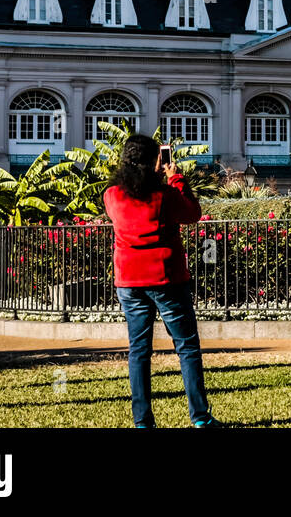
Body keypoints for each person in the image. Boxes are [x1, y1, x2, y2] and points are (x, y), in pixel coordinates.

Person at [103, 134, 221, 427]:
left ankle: (143, 421)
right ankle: (200, 417)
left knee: (139, 350)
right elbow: (192, 213)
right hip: (166, 278)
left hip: (129, 281)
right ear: (153, 162)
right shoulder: (165, 196)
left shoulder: (112, 195)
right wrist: (176, 177)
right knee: (187, 347)